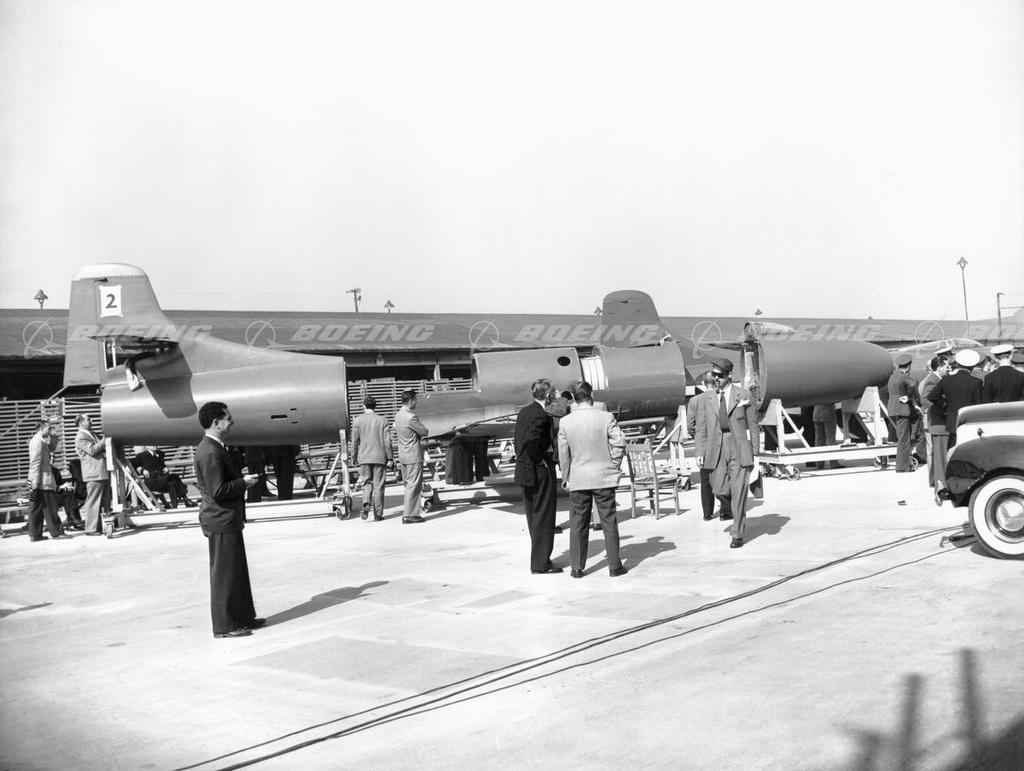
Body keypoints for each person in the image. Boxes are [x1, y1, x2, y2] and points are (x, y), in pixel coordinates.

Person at [194, 401, 264, 639]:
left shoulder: (214, 447)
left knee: (237, 571)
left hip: (226, 518)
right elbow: (218, 490)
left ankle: (243, 617)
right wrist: (243, 483)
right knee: (225, 574)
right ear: (216, 423)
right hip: (220, 518)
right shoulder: (210, 451)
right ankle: (225, 625)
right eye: (228, 418)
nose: (231, 421)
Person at [557, 380, 627, 577]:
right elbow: (619, 442)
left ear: (574, 397)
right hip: (603, 475)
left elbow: (564, 452)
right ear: (591, 394)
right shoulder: (606, 417)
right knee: (609, 521)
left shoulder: (566, 421)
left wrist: (566, 474)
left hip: (579, 477)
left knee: (578, 522)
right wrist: (614, 463)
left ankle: (577, 568)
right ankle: (614, 566)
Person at [693, 358, 760, 549]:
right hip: (716, 447)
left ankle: (737, 533)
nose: (716, 379)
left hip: (738, 447)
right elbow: (701, 427)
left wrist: (756, 453)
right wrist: (700, 450)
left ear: (729, 375)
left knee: (739, 491)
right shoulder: (708, 398)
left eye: (720, 375)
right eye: (714, 375)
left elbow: (753, 426)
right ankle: (733, 506)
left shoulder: (744, 395)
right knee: (718, 488)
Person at [515, 379, 562, 574]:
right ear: (547, 394)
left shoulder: (524, 411)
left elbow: (520, 439)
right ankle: (541, 562)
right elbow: (531, 440)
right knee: (544, 515)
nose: (556, 395)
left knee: (533, 515)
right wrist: (540, 459)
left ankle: (539, 560)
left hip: (524, 469)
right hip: (538, 469)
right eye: (554, 392)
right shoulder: (540, 415)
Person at [75, 414, 125, 533]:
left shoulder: (92, 434)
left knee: (105, 501)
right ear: (81, 423)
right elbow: (92, 450)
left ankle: (103, 525)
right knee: (93, 501)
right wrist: (105, 440)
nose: (91, 421)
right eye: (88, 419)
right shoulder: (81, 437)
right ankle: (91, 529)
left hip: (102, 471)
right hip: (94, 473)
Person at [928, 349, 983, 448]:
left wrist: (945, 404)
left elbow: (932, 396)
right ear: (972, 366)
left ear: (957, 364)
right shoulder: (976, 382)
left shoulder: (947, 380)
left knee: (953, 451)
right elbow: (979, 405)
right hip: (969, 422)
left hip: (953, 422)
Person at [351, 395, 393, 520]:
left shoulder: (357, 420)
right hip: (379, 457)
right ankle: (378, 514)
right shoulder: (383, 420)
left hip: (364, 457)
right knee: (379, 485)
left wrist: (354, 456)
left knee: (367, 483)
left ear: (364, 406)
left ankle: (366, 503)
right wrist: (390, 457)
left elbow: (354, 441)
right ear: (375, 406)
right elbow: (387, 442)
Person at [27, 420, 69, 541]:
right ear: (41, 428)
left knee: (36, 508)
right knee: (50, 507)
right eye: (48, 428)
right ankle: (57, 532)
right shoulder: (37, 442)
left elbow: (52, 448)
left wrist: (54, 437)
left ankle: (35, 535)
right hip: (42, 481)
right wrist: (35, 484)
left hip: (39, 480)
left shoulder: (40, 440)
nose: (50, 430)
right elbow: (35, 463)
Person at [687, 371, 719, 521]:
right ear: (717, 381)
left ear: (702, 384)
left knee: (705, 481)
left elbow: (690, 426)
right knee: (724, 476)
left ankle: (707, 512)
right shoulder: (721, 397)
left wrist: (699, 439)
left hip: (703, 445)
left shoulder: (694, 401)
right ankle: (726, 509)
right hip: (721, 443)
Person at [393, 389, 428, 524]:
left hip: (403, 454)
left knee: (408, 485)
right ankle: (410, 514)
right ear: (411, 400)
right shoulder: (411, 417)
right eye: (415, 400)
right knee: (414, 485)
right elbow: (424, 431)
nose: (416, 403)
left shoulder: (397, 415)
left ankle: (409, 513)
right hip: (413, 454)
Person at [918, 356, 950, 488]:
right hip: (936, 419)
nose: (948, 368)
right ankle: (934, 479)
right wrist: (941, 408)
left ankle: (934, 478)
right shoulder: (933, 380)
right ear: (940, 367)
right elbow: (925, 399)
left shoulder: (938, 378)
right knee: (934, 451)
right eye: (946, 366)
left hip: (937, 419)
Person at [886, 353, 918, 472]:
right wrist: (909, 396)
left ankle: (903, 465)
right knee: (904, 440)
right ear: (908, 366)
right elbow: (914, 383)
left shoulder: (893, 376)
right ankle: (902, 467)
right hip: (902, 409)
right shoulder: (903, 376)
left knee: (901, 437)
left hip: (893, 408)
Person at [812, 403, 843, 469]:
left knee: (819, 440)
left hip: (816, 413)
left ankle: (819, 463)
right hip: (828, 412)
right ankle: (833, 462)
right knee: (830, 439)